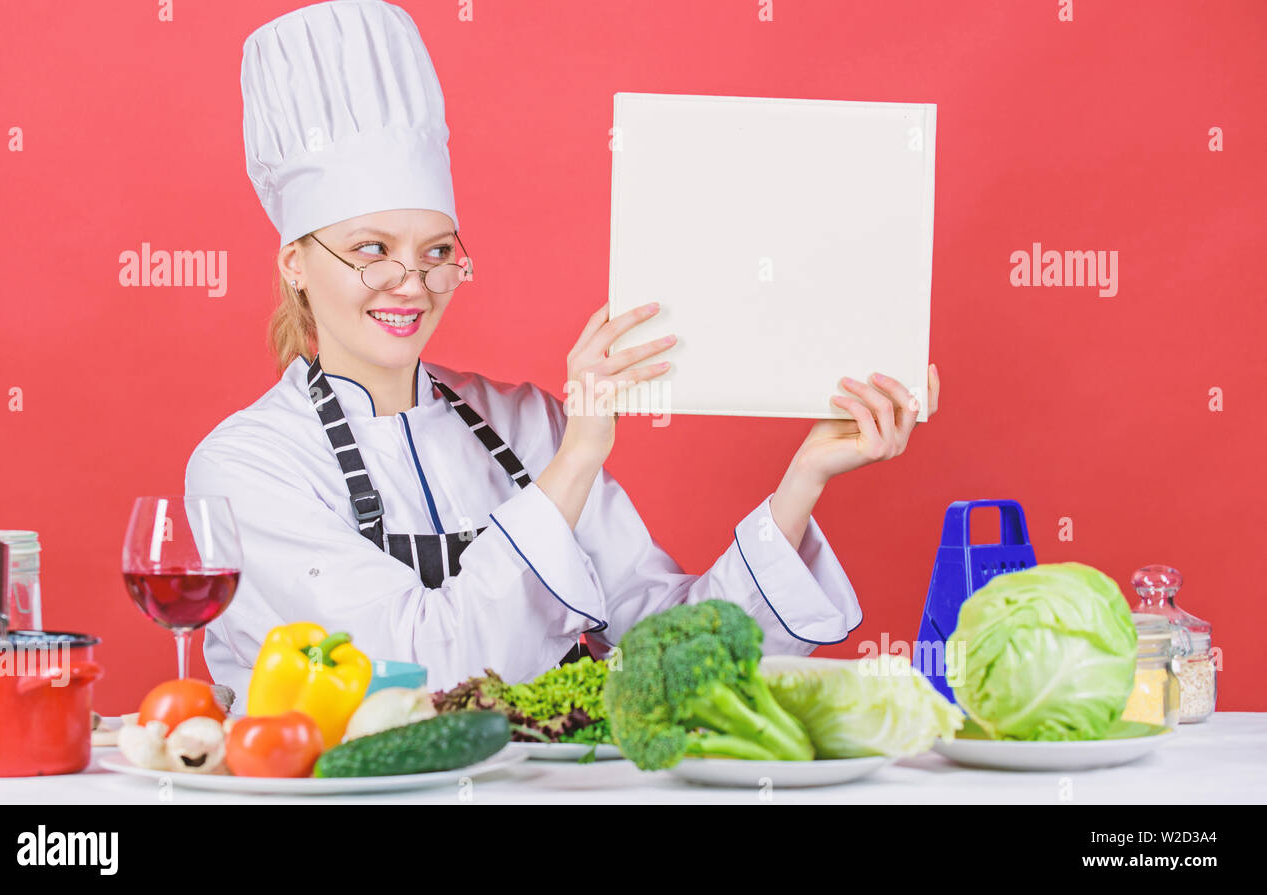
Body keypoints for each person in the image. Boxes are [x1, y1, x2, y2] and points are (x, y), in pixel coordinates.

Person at [185, 0, 941, 712]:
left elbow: (669, 651)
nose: (411, 284)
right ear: (295, 262)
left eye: (438, 251)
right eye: (371, 250)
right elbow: (413, 680)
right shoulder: (248, 465)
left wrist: (804, 476)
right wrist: (576, 456)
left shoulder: (522, 421)